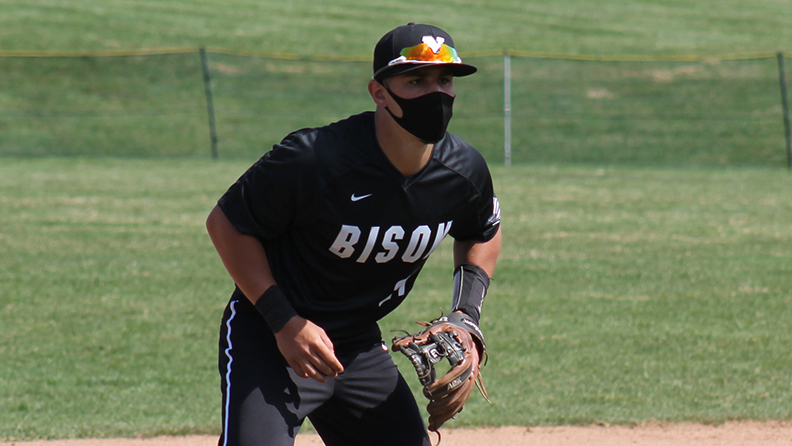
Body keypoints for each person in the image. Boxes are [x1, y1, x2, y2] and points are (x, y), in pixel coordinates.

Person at [206, 22, 502, 446]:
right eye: (415, 80)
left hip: (357, 344)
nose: (435, 93)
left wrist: (466, 316)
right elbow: (227, 223)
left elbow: (484, 230)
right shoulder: (315, 158)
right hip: (270, 336)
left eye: (444, 80)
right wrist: (283, 321)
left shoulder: (462, 171)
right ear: (379, 92)